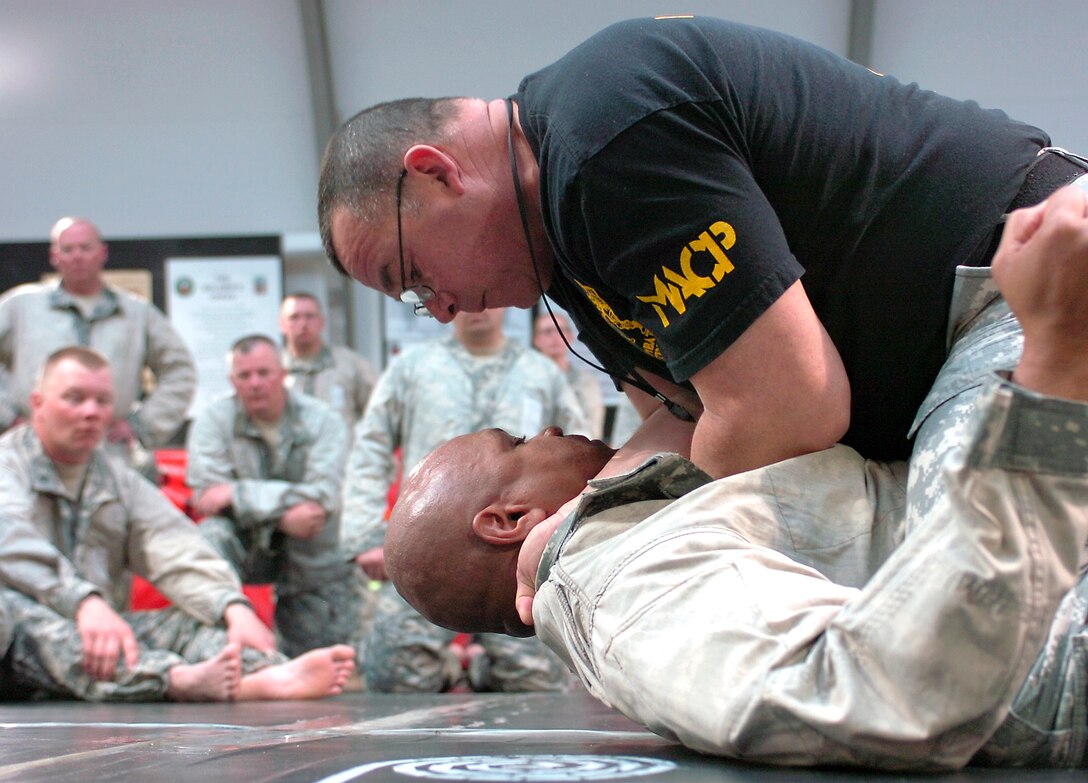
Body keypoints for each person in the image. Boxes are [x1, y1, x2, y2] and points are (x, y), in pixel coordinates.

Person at [317, 16, 1088, 614]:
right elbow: (685, 419)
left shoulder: (601, 138)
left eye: (413, 277)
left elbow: (786, 406)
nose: (443, 310)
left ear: (434, 171)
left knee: (984, 613)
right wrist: (583, 514)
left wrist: (595, 525)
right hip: (941, 364)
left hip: (1019, 281)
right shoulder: (566, 253)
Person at [381, 185, 1088, 769]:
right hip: (1042, 639)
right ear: (506, 519)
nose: (555, 431)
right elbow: (875, 688)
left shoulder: (622, 527)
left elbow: (679, 415)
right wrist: (1054, 385)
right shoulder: (622, 588)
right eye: (521, 440)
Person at [0, 346, 355, 703]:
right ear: (38, 403)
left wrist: (232, 607)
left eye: (103, 401)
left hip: (96, 637)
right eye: (74, 398)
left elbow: (173, 544)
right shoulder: (8, 464)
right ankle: (177, 680)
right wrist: (83, 602)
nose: (91, 412)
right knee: (19, 614)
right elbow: (10, 539)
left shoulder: (115, 480)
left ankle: (263, 673)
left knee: (200, 622)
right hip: (14, 643)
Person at [342, 308, 586, 692]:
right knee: (394, 674)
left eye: (486, 300)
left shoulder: (540, 373)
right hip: (430, 559)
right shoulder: (414, 367)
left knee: (539, 685)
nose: (477, 310)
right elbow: (371, 447)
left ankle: (478, 673)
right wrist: (365, 535)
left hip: (517, 560)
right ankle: (455, 675)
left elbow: (577, 449)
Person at [186, 334, 359, 659]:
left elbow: (323, 497)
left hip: (309, 548)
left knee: (320, 661)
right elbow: (207, 495)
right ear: (231, 380)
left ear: (283, 374)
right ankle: (219, 647)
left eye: (264, 373)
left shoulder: (324, 420)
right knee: (211, 534)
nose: (254, 383)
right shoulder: (212, 421)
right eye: (244, 375)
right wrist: (282, 515)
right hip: (244, 542)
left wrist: (237, 494)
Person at [0, 218, 196, 471]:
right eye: (68, 249)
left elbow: (180, 370)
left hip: (111, 455)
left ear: (103, 253)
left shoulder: (136, 313)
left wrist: (143, 425)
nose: (77, 256)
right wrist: (7, 415)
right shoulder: (20, 307)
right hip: (31, 452)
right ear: (54, 256)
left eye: (85, 248)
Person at [279, 291, 377, 432]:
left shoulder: (351, 364)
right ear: (282, 324)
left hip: (341, 452)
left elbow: (378, 415)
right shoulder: (273, 370)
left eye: (309, 316)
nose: (303, 324)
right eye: (294, 317)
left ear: (321, 322)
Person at [532, 311, 605, 439]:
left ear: (570, 336)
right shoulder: (527, 381)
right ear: (536, 340)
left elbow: (593, 429)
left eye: (561, 330)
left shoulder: (586, 381)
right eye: (547, 331)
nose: (555, 336)